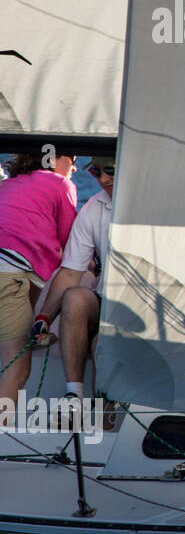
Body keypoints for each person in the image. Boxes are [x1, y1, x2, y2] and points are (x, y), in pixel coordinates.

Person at [29, 156, 115, 403]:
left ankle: (105, 420)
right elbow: (70, 272)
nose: (103, 179)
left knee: (102, 343)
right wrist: (43, 318)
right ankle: (73, 396)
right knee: (75, 297)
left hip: (142, 309)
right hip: (106, 304)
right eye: (95, 171)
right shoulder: (93, 207)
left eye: (110, 170)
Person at [0, 150, 78, 418]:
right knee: (17, 367)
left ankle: (29, 333)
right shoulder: (60, 183)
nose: (75, 168)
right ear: (55, 157)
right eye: (73, 160)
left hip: (11, 270)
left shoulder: (9, 184)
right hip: (9, 276)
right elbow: (72, 244)